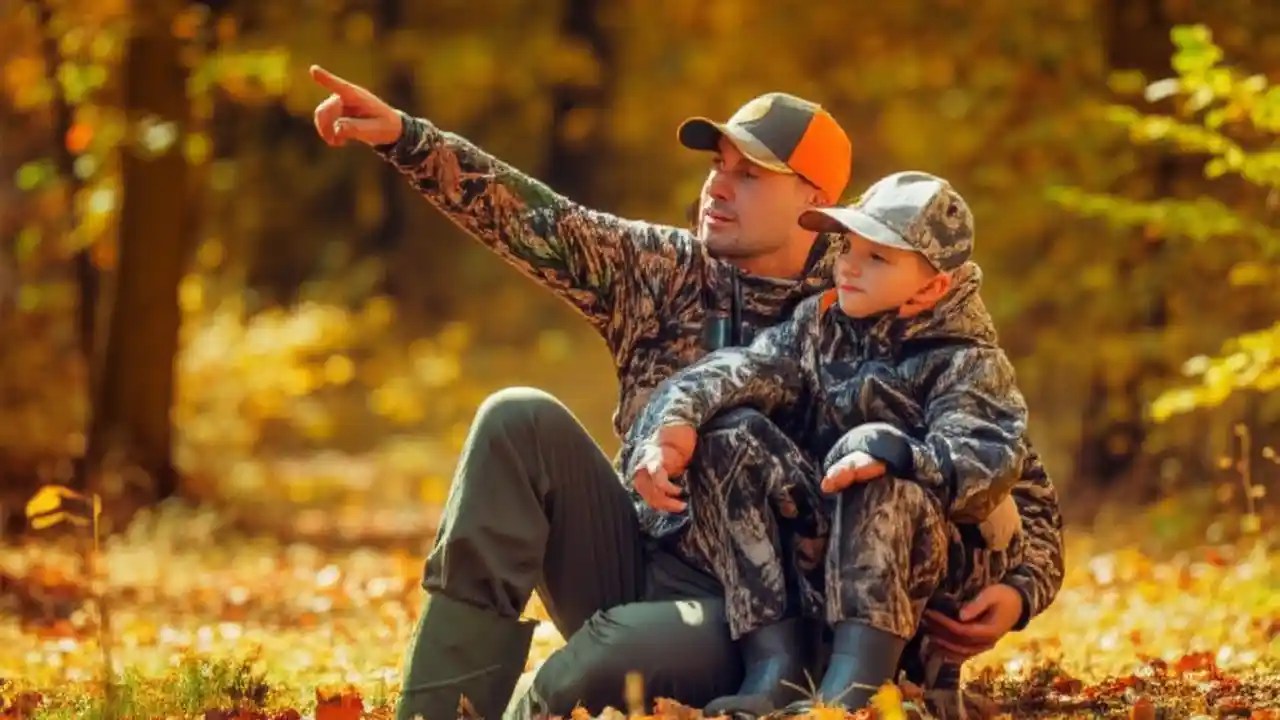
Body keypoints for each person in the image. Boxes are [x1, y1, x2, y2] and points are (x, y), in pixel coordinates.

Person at [307, 65, 1065, 720]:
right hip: (638, 554)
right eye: (717, 166)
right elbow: (532, 216)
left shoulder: (872, 297)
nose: (717, 188)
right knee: (516, 420)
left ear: (814, 199)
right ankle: (439, 710)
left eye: (747, 174)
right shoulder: (662, 271)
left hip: (778, 616)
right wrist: (406, 138)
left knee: (597, 664)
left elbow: (1010, 476)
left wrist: (1020, 593)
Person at [626, 171, 1030, 714]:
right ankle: (776, 667)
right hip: (827, 556)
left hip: (924, 587)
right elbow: (742, 366)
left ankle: (857, 688)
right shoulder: (820, 325)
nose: (849, 265)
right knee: (731, 433)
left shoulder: (969, 360)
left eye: (878, 258)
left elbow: (989, 457)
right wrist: (675, 422)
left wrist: (900, 453)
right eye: (848, 246)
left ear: (933, 286)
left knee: (876, 463)